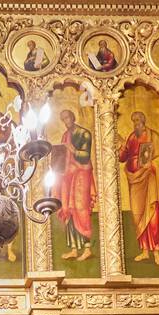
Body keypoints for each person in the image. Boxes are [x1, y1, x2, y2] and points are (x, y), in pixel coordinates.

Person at [119, 111, 159, 264]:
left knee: (153, 216)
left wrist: (151, 165)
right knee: (137, 215)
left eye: (138, 120)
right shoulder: (131, 137)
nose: (136, 123)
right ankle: (145, 250)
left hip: (150, 178)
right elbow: (123, 158)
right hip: (134, 180)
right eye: (133, 121)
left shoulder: (153, 136)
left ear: (144, 121)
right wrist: (121, 145)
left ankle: (157, 252)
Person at [56, 109, 96, 262]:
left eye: (67, 117)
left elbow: (85, 156)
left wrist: (71, 149)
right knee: (68, 208)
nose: (66, 120)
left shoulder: (84, 134)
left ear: (73, 117)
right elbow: (63, 157)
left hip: (81, 174)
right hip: (68, 175)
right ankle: (73, 249)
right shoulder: (65, 136)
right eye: (63, 118)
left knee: (81, 207)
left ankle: (87, 248)